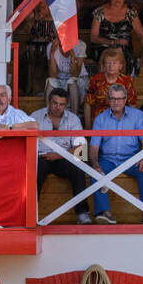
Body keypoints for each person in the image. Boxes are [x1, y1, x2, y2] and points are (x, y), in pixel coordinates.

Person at [90, 83, 143, 224]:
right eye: (113, 99)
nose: (116, 102)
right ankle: (105, 214)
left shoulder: (138, 116)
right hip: (108, 159)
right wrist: (95, 165)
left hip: (131, 159)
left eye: (119, 99)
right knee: (95, 172)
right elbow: (94, 147)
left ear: (125, 99)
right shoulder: (100, 119)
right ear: (108, 100)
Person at [32, 87, 91, 224]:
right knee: (35, 170)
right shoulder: (36, 116)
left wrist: (58, 155)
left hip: (63, 158)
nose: (58, 107)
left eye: (62, 104)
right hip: (41, 157)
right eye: (55, 103)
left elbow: (81, 148)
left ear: (66, 105)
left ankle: (82, 213)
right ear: (49, 102)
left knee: (78, 167)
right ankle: (31, 213)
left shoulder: (73, 119)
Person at [90, 0, 143, 77]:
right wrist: (113, 42)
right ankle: (103, 88)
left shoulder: (130, 13)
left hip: (124, 48)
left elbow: (142, 35)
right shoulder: (99, 12)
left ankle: (120, 87)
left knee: (119, 54)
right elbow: (93, 37)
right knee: (107, 54)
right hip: (103, 46)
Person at [84, 47, 137, 123]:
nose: (111, 66)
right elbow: (87, 104)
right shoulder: (96, 80)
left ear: (120, 66)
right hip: (100, 119)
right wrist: (88, 128)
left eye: (114, 63)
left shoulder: (127, 81)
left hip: (121, 118)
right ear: (104, 65)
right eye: (108, 63)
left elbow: (132, 105)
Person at [46, 36, 90, 114]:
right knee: (50, 81)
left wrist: (72, 57)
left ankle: (74, 117)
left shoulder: (80, 45)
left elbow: (75, 74)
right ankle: (49, 116)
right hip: (60, 80)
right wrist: (52, 54)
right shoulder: (52, 45)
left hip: (78, 80)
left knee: (72, 81)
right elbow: (52, 75)